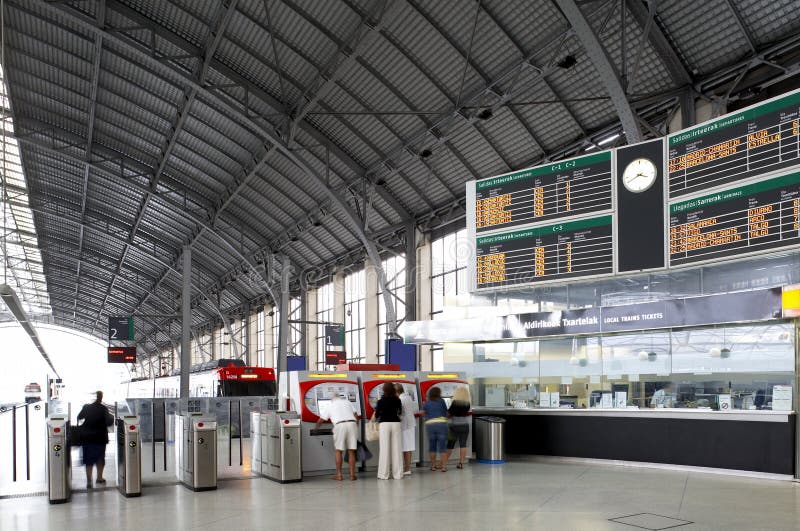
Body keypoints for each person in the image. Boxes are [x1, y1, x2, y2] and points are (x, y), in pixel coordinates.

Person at [316, 391, 359, 481]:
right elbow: (356, 416)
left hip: (340, 425)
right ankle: (352, 475)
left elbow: (321, 420)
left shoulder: (330, 406)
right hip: (352, 424)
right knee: (351, 451)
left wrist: (316, 428)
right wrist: (355, 426)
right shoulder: (347, 402)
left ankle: (339, 475)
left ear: (332, 399)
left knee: (338, 451)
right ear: (339, 397)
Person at [76, 391, 113, 489]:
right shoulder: (103, 408)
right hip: (100, 437)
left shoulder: (86, 407)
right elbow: (109, 422)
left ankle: (89, 481)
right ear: (100, 398)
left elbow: (79, 417)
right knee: (100, 458)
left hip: (87, 437)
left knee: (88, 460)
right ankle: (99, 478)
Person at [373, 382, 403, 480]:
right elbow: (400, 412)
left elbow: (377, 415)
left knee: (384, 449)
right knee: (397, 449)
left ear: (384, 390)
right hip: (396, 424)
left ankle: (383, 474)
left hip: (384, 424)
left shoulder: (381, 401)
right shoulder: (397, 400)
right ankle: (398, 474)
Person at [395, 383, 420, 476]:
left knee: (406, 448)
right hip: (410, 424)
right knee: (408, 447)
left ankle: (407, 469)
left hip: (405, 425)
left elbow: (400, 413)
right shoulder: (408, 397)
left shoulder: (401, 399)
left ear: (396, 391)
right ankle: (407, 467)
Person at [423, 386, 449, 472]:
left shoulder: (426, 403)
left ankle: (433, 466)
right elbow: (446, 412)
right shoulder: (442, 401)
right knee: (442, 447)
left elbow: (423, 412)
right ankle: (444, 467)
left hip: (430, 425)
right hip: (441, 425)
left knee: (432, 446)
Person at [446, 386, 471, 469]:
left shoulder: (455, 403)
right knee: (463, 445)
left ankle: (443, 463)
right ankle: (461, 463)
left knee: (450, 445)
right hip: (465, 426)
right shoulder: (467, 403)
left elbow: (449, 414)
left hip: (454, 427)